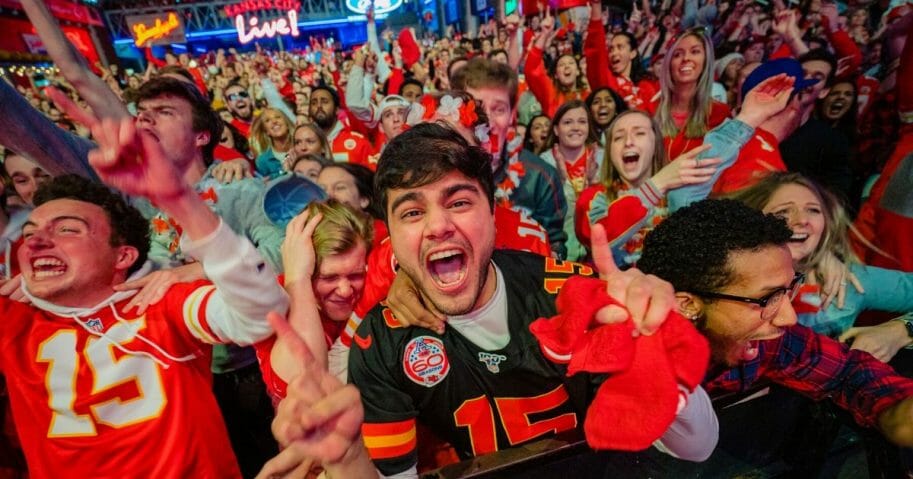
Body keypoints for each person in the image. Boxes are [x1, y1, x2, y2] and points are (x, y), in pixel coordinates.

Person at [262, 123, 719, 478]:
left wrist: (651, 348)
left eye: (459, 202)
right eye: (413, 211)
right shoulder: (380, 344)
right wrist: (348, 457)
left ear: (493, 214)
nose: (438, 226)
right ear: (392, 238)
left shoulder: (575, 296)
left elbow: (698, 447)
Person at [0, 110, 287, 477]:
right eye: (29, 234)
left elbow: (263, 311)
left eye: (67, 230)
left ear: (123, 255)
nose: (37, 242)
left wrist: (185, 204)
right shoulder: (13, 320)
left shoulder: (160, 303)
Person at [635, 198, 913, 449]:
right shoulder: (612, 359)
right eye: (767, 298)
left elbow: (845, 372)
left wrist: (896, 412)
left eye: (789, 288)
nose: (789, 317)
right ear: (687, 304)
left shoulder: (765, 341)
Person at [733, 173, 913, 362]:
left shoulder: (848, 281)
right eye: (783, 212)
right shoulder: (722, 272)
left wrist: (899, 331)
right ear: (751, 219)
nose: (802, 219)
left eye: (813, 210)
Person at [450, 58, 568, 257]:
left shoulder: (540, 177)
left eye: (499, 109)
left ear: (512, 115)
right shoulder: (439, 174)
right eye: (476, 108)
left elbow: (555, 243)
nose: (487, 121)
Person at [540, 100, 604, 260]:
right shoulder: (543, 163)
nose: (576, 127)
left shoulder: (602, 159)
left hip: (599, 253)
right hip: (559, 255)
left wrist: (593, 185)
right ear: (556, 129)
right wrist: (560, 182)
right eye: (568, 122)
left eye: (582, 122)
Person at [655, 27, 732, 161]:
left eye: (695, 51)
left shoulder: (719, 113)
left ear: (705, 61)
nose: (686, 58)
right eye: (677, 54)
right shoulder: (650, 110)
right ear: (668, 64)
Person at [309, 85, 374, 168]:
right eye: (314, 103)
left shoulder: (359, 143)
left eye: (324, 101)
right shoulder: (303, 146)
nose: (319, 106)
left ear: (337, 110)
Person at [251, 107, 295, 179]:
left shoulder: (302, 147)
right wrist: (283, 171)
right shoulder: (262, 161)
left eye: (277, 117)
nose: (274, 121)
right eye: (267, 120)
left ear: (287, 124)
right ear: (266, 131)